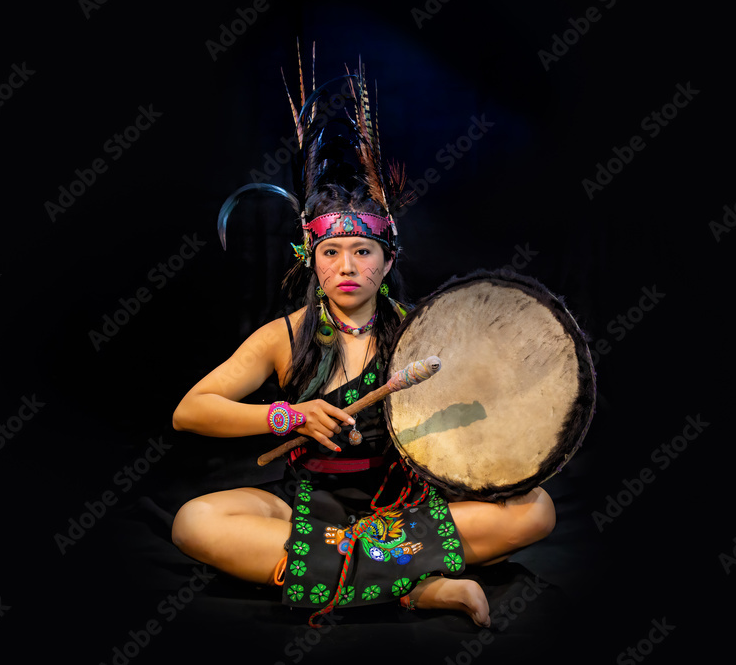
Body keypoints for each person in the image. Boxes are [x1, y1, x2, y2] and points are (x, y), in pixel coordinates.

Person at [169, 52, 556, 628]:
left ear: (387, 258)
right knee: (192, 523)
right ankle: (418, 588)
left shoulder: (419, 332)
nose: (346, 266)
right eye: (331, 253)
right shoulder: (284, 336)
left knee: (536, 511)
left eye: (362, 251)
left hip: (404, 508)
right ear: (311, 264)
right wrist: (288, 417)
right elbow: (190, 412)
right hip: (304, 507)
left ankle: (346, 570)